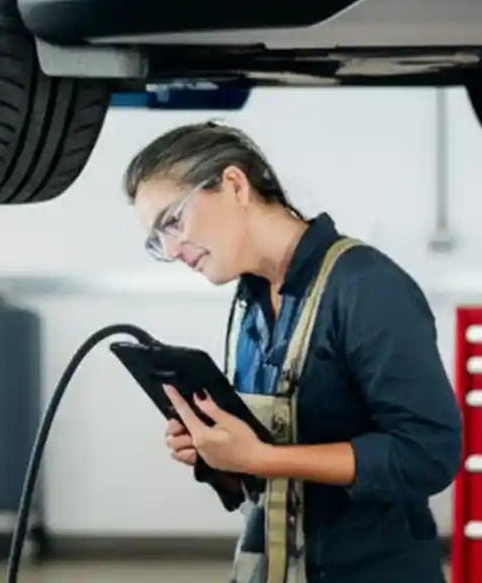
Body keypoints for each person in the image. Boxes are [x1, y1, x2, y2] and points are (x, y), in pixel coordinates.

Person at [122, 121, 462, 583]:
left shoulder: (367, 288)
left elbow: (427, 455)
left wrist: (260, 458)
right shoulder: (251, 301)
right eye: (155, 241)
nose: (173, 249)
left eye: (173, 222)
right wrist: (219, 456)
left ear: (234, 185)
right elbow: (265, 473)